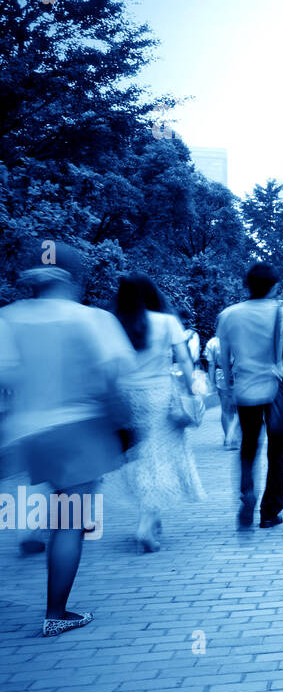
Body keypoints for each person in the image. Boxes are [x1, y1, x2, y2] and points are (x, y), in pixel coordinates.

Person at [0, 242, 136, 637]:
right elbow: (115, 379)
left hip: (29, 432)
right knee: (69, 523)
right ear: (74, 276)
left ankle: (32, 539)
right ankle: (56, 613)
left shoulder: (9, 319)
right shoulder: (91, 320)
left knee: (53, 509)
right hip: (80, 430)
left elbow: (6, 382)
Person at [216, 263, 283, 530]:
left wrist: (230, 384)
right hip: (276, 390)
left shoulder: (228, 315)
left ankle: (247, 491)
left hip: (245, 390)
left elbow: (224, 359)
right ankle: (269, 512)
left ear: (247, 284)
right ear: (275, 286)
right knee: (277, 452)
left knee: (248, 447)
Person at [114, 276, 207, 552]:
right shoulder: (167, 322)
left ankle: (153, 519)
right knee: (162, 459)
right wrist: (192, 393)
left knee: (140, 458)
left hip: (126, 397)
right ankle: (146, 523)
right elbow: (184, 360)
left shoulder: (115, 324)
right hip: (159, 396)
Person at [204, 332, 239, 449]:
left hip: (221, 375)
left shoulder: (212, 343)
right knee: (240, 409)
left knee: (225, 410)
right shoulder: (239, 338)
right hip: (239, 375)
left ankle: (228, 437)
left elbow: (211, 365)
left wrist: (212, 382)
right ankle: (232, 436)